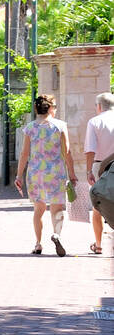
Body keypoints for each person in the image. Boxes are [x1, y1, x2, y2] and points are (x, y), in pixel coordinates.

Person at [15, 93, 77, 256]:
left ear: (36, 108)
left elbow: (24, 153)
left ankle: (38, 243)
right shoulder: (60, 126)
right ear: (50, 109)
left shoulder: (30, 128)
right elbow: (67, 152)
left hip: (36, 173)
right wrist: (72, 173)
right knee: (57, 208)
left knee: (38, 209)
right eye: (54, 107)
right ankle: (56, 234)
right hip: (56, 173)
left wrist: (18, 175)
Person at [84, 92, 114, 253]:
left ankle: (99, 244)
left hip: (100, 166)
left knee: (98, 205)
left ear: (99, 106)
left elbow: (90, 149)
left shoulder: (94, 122)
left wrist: (88, 170)